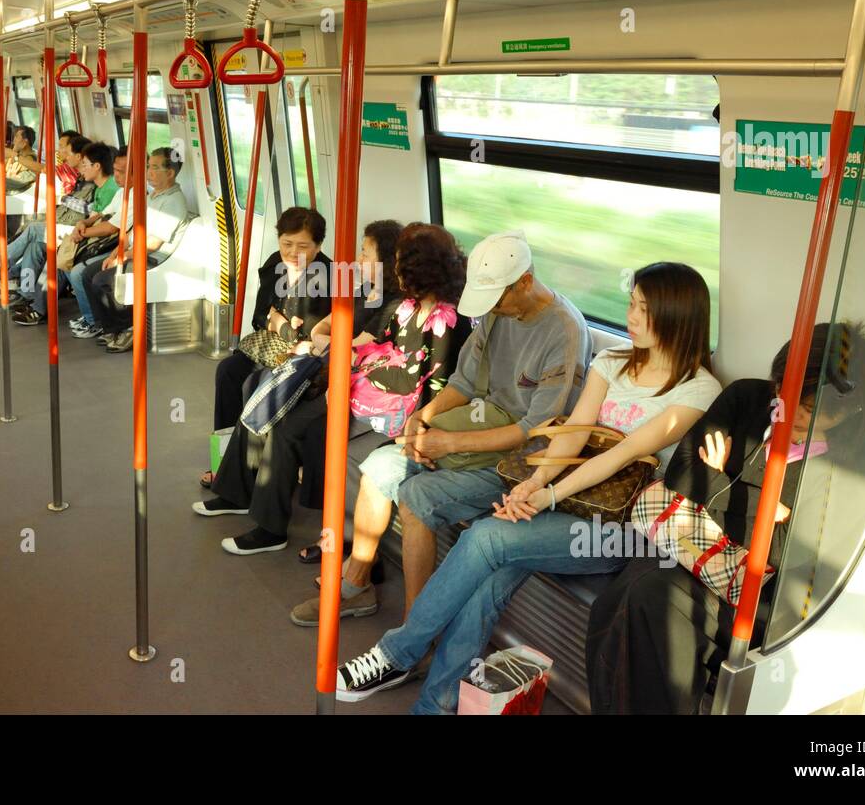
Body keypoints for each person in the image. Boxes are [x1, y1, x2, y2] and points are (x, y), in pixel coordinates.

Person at [335, 261, 722, 711]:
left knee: (486, 537)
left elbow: (624, 453)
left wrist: (547, 496)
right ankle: (436, 705)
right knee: (490, 578)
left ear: (678, 315)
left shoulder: (698, 390)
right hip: (564, 495)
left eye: (642, 309)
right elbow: (574, 433)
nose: (631, 318)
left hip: (614, 527)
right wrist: (532, 484)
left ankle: (398, 651)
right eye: (630, 305)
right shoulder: (613, 362)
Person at [586, 321, 865, 715]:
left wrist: (717, 480)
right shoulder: (747, 398)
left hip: (765, 596)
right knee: (616, 602)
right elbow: (681, 475)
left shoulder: (860, 466)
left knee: (650, 599)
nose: (786, 413)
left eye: (807, 411)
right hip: (692, 552)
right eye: (783, 393)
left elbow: (788, 551)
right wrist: (763, 509)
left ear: (849, 411)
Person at [329, 230, 593, 621]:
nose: (493, 309)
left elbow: (534, 429)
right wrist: (424, 417)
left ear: (524, 282)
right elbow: (464, 383)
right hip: (479, 423)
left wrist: (449, 444)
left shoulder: (563, 333)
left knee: (417, 498)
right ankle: (357, 583)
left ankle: (415, 626)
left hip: (522, 459)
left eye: (498, 299)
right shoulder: (497, 313)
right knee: (378, 467)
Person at [195, 220, 417, 553]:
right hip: (320, 364)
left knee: (281, 421)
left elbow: (356, 348)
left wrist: (318, 341)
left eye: (365, 253)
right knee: (257, 394)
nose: (358, 260)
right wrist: (319, 340)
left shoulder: (389, 303)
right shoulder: (364, 290)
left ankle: (271, 528)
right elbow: (326, 327)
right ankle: (235, 492)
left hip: (343, 379)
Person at [199, 206, 333, 489]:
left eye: (303, 246)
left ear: (319, 246)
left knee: (253, 385)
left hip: (303, 359)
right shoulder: (275, 265)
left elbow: (315, 334)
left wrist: (279, 320)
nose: (292, 252)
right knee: (227, 371)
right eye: (286, 243)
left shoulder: (331, 277)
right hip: (271, 347)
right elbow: (260, 315)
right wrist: (281, 323)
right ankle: (224, 457)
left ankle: (253, 471)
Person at [89, 146, 190, 352]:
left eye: (154, 168)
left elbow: (152, 244)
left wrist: (122, 258)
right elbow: (132, 232)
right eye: (148, 167)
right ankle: (110, 329)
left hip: (154, 260)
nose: (148, 173)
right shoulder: (152, 197)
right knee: (88, 273)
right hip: (136, 253)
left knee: (103, 280)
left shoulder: (173, 201)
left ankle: (128, 328)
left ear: (170, 173)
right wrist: (117, 252)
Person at [9, 140, 119, 326]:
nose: (81, 169)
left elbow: (108, 226)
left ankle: (4, 265)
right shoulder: (98, 188)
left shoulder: (111, 189)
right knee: (35, 248)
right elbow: (95, 216)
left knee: (38, 234)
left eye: (85, 164)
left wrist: (80, 230)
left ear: (97, 166)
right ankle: (28, 294)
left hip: (93, 239)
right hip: (80, 231)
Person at [0, 125, 37, 238]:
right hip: (7, 187)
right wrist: (14, 151)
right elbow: (1, 173)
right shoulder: (17, 155)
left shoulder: (30, 160)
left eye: (17, 137)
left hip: (17, 191)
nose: (13, 139)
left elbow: (16, 181)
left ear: (25, 141)